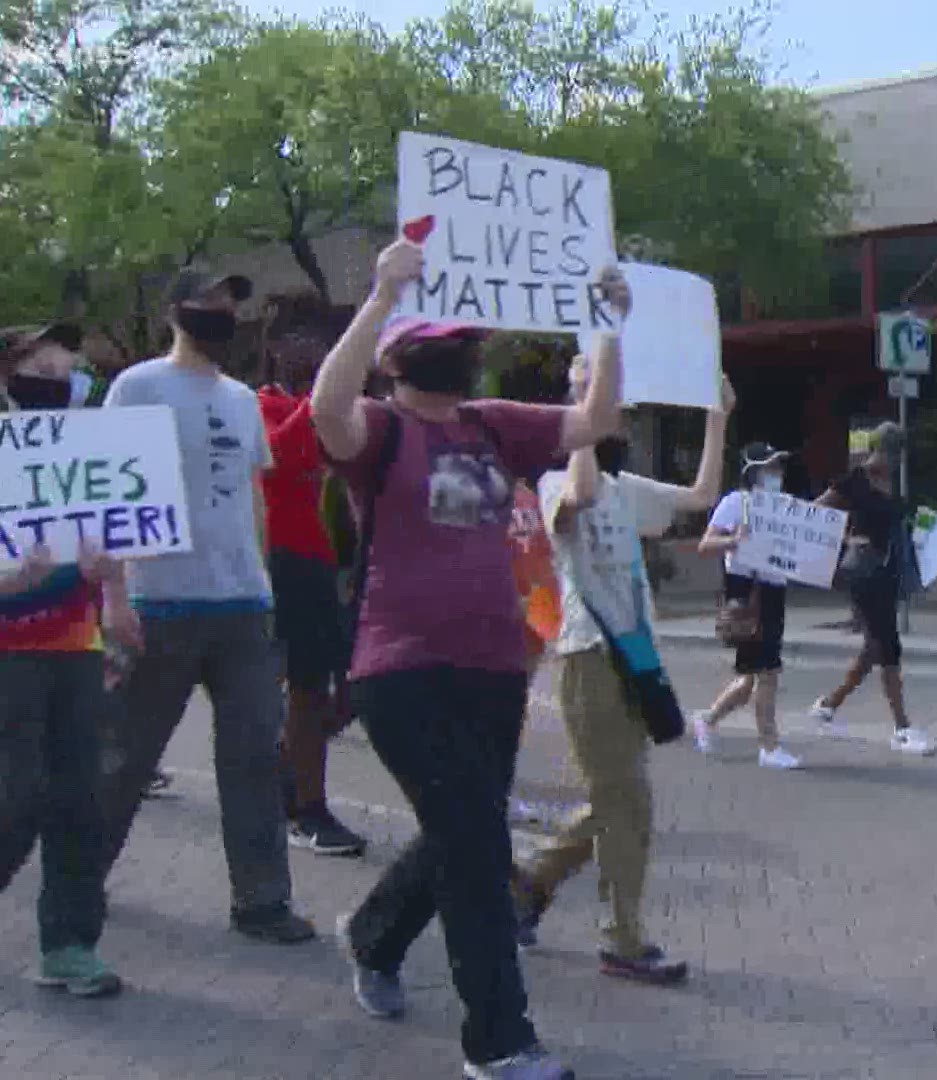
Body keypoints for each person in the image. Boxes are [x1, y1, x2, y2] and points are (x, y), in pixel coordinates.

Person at [310, 235, 627, 1080]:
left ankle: (374, 935)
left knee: (466, 827)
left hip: (493, 670)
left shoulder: (495, 426)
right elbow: (324, 407)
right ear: (397, 358)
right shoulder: (378, 428)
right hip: (398, 667)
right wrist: (379, 293)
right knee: (480, 853)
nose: (459, 352)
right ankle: (499, 1043)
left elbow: (595, 421)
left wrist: (608, 326)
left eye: (465, 340)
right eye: (439, 339)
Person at [97, 272, 318, 946]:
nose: (223, 315)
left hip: (242, 606)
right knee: (126, 758)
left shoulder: (242, 399)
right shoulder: (137, 387)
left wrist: (262, 576)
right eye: (210, 304)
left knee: (253, 755)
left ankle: (261, 900)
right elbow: (108, 488)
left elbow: (252, 489)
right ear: (177, 311)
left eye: (231, 305)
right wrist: (112, 592)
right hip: (159, 602)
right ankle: (77, 877)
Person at [510, 366, 734, 985]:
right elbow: (578, 498)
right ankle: (622, 940)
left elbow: (699, 494)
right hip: (587, 654)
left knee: (619, 800)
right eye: (607, 410)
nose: (619, 421)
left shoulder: (624, 486)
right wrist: (582, 410)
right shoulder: (557, 481)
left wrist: (716, 415)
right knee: (624, 800)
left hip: (635, 659)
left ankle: (531, 882)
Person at [0, 323, 136, 997]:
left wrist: (113, 582)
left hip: (75, 650)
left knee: (83, 799)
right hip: (7, 655)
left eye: (65, 364)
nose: (57, 372)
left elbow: (112, 530)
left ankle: (70, 944)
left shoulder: (88, 452)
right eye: (40, 362)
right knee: (15, 797)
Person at [257, 301, 365, 857]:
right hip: (281, 556)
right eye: (297, 339)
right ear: (275, 350)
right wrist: (320, 400)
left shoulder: (333, 409)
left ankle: (284, 774)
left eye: (319, 341)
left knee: (357, 686)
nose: (311, 349)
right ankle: (307, 805)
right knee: (307, 684)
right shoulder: (261, 405)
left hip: (325, 561)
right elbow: (282, 457)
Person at [807, 422, 931, 755]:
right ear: (876, 448)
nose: (888, 460)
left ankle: (829, 704)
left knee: (873, 649)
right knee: (888, 647)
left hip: (886, 573)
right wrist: (846, 537)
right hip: (863, 572)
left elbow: (895, 523)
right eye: (885, 452)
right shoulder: (855, 481)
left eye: (894, 455)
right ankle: (902, 728)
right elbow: (815, 512)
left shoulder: (892, 484)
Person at [691, 443, 800, 769]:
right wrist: (734, 540)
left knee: (753, 675)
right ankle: (769, 746)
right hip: (748, 592)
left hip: (774, 590)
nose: (776, 474)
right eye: (770, 467)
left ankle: (708, 719)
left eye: (778, 467)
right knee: (768, 672)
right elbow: (706, 544)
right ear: (753, 472)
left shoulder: (784, 505)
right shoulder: (736, 502)